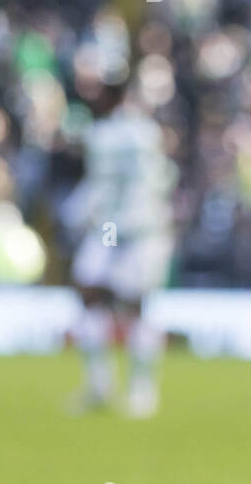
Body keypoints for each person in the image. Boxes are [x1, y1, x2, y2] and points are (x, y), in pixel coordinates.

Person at [65, 72, 178, 418]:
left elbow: (144, 179)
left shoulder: (126, 133)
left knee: (131, 305)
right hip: (116, 228)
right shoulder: (122, 131)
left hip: (135, 230)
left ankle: (141, 390)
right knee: (92, 296)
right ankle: (102, 386)